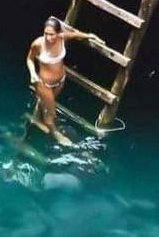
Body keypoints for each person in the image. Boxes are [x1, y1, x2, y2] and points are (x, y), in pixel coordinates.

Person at [26, 16, 104, 145]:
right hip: (43, 83)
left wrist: (90, 36)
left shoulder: (62, 38)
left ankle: (38, 116)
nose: (48, 38)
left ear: (58, 34)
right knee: (51, 112)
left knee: (47, 103)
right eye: (46, 33)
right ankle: (56, 134)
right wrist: (32, 73)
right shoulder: (38, 44)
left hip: (60, 80)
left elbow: (76, 35)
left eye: (51, 34)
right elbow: (29, 59)